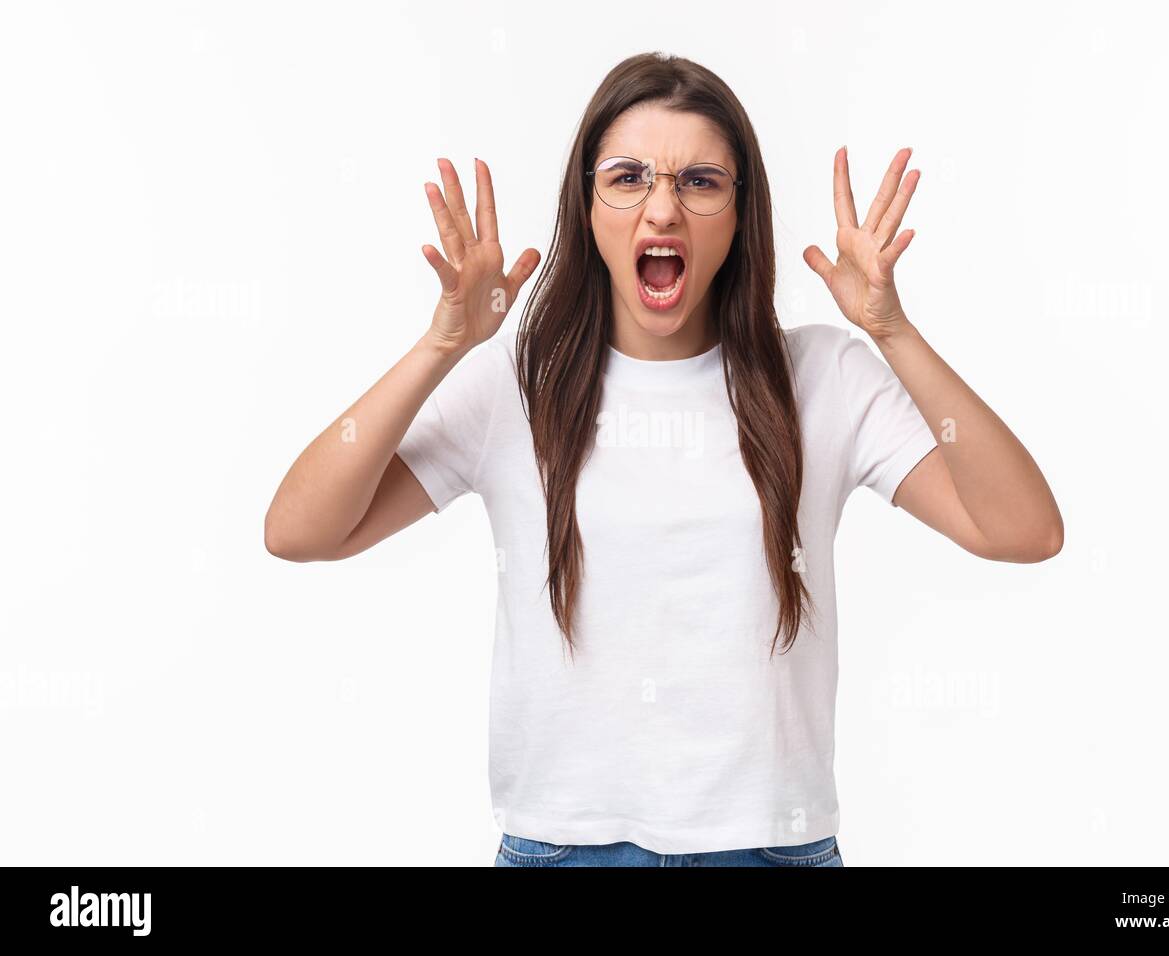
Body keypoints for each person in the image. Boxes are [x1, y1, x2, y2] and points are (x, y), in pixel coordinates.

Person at [264, 52, 1064, 868]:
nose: (663, 209)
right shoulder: (517, 385)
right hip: (561, 848)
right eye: (629, 176)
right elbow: (299, 530)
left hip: (770, 849)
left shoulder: (823, 378)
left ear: (740, 213)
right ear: (587, 206)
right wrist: (444, 345)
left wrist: (891, 331)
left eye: (700, 182)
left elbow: (1025, 530)